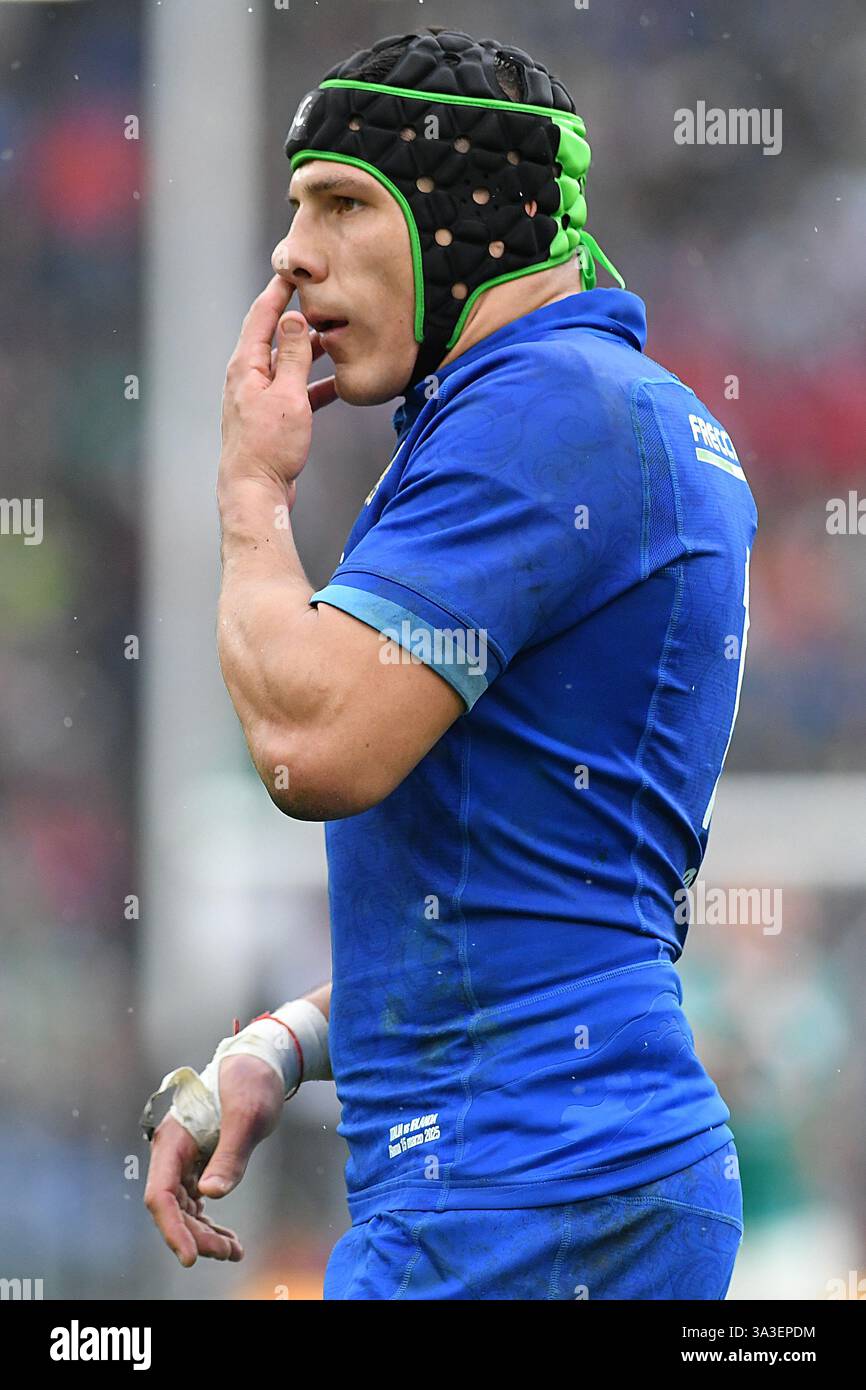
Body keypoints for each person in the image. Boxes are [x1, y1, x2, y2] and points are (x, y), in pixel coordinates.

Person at [143, 26, 756, 1300]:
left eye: (342, 203)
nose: (289, 253)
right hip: (576, 1169)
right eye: (293, 203)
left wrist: (251, 490)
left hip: (519, 1192)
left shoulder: (544, 409)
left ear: (465, 218)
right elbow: (528, 898)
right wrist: (290, 1041)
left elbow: (311, 750)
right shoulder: (609, 407)